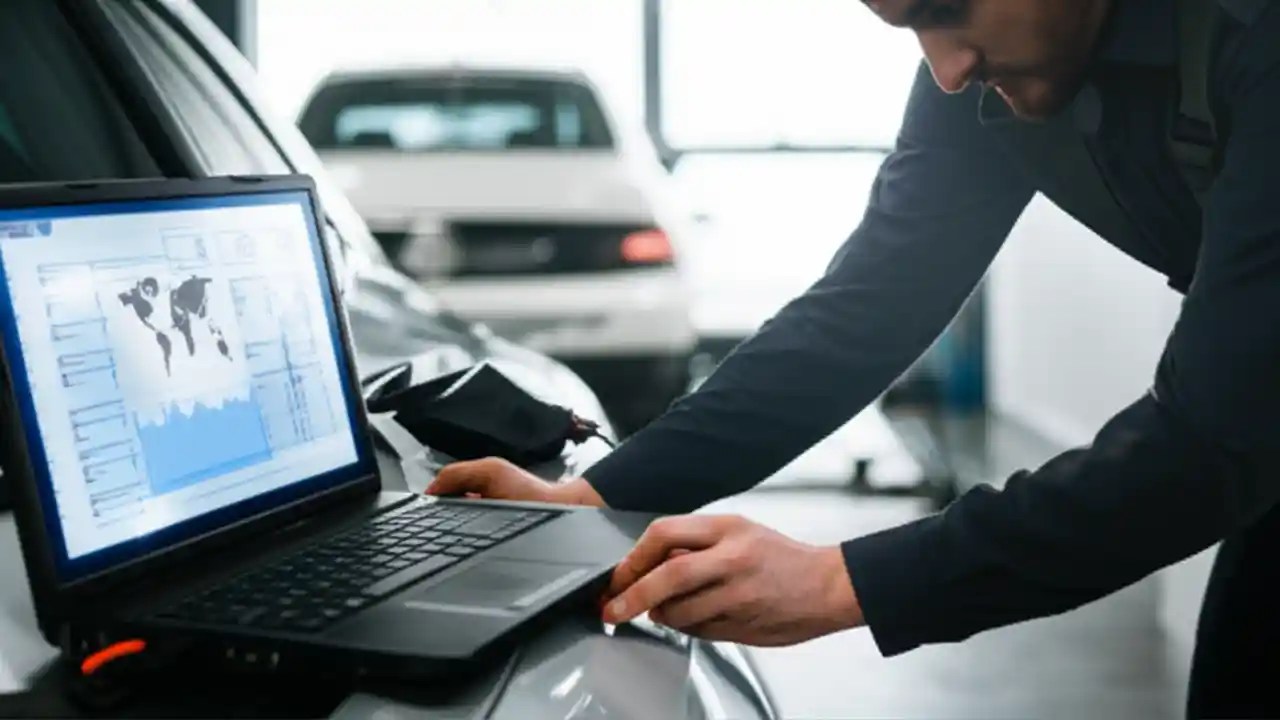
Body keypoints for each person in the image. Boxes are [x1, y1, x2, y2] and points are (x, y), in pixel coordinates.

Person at [429, 0, 1280, 715]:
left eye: (948, 10)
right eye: (907, 25)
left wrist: (845, 582)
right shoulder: (982, 73)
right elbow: (868, 307)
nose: (945, 68)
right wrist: (593, 500)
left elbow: (1214, 437)